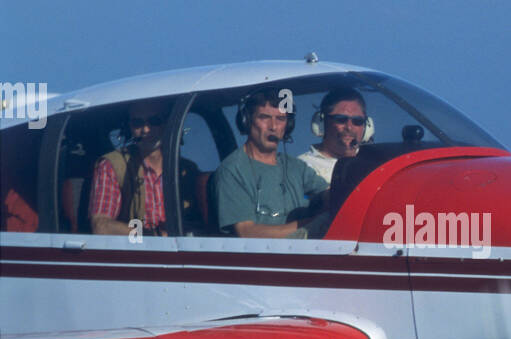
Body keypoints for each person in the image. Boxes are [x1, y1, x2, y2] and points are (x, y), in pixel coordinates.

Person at [212, 89, 330, 239]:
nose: (273, 127)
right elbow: (247, 232)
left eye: (280, 119)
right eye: (264, 117)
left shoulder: (295, 167)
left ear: (289, 125)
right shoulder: (232, 170)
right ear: (246, 121)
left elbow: (326, 193)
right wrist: (312, 223)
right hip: (264, 256)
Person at [88, 99, 198, 236]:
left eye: (155, 121)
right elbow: (101, 225)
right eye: (137, 123)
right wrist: (150, 237)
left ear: (168, 124)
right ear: (129, 127)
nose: (146, 130)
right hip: (136, 252)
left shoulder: (187, 170)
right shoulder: (111, 166)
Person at [297, 88, 368, 185]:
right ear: (322, 123)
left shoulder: (375, 164)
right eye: (341, 119)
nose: (349, 127)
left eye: (357, 121)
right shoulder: (302, 168)